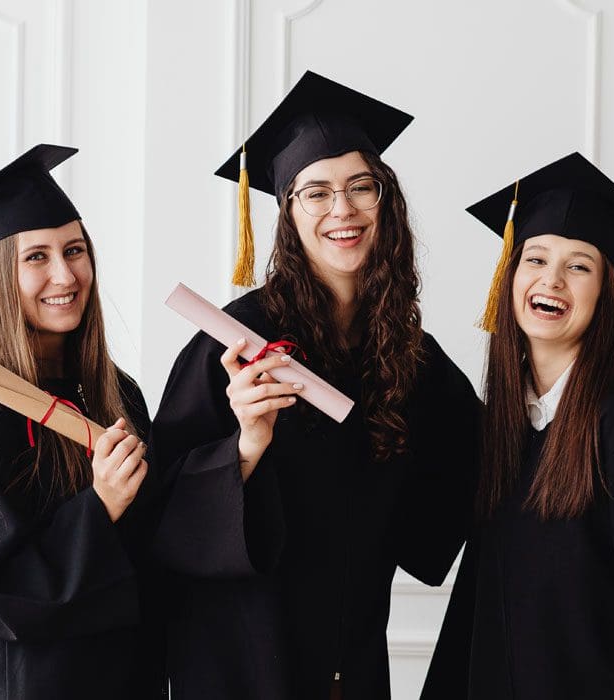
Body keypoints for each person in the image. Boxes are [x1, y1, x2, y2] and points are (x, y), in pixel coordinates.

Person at [151, 71, 480, 699]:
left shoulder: (411, 357)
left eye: (361, 187)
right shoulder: (237, 340)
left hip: (350, 665)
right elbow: (161, 513)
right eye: (316, 192)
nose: (342, 210)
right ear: (287, 212)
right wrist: (244, 447)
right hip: (239, 668)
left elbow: (474, 469)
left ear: (386, 202)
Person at [421, 152, 614, 699]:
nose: (552, 280)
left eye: (579, 266)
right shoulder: (501, 427)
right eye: (535, 259)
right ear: (509, 277)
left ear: (605, 293)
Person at [0, 145, 167, 699]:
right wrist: (99, 509)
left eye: (75, 250)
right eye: (37, 257)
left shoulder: (118, 394)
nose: (65, 274)